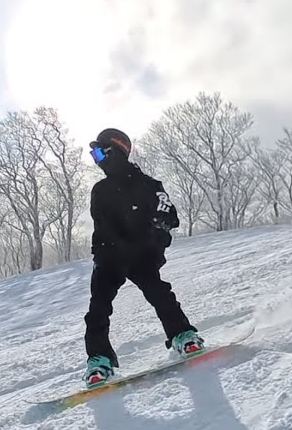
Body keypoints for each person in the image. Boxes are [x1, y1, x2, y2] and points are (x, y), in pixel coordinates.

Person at [83, 127, 203, 387]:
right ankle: (99, 361)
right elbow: (101, 225)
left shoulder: (148, 185)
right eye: (94, 156)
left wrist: (159, 231)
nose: (97, 161)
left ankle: (183, 335)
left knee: (160, 294)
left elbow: (168, 213)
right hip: (109, 257)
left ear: (115, 151)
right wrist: (103, 253)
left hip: (140, 254)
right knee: (97, 309)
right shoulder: (100, 190)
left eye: (99, 154)